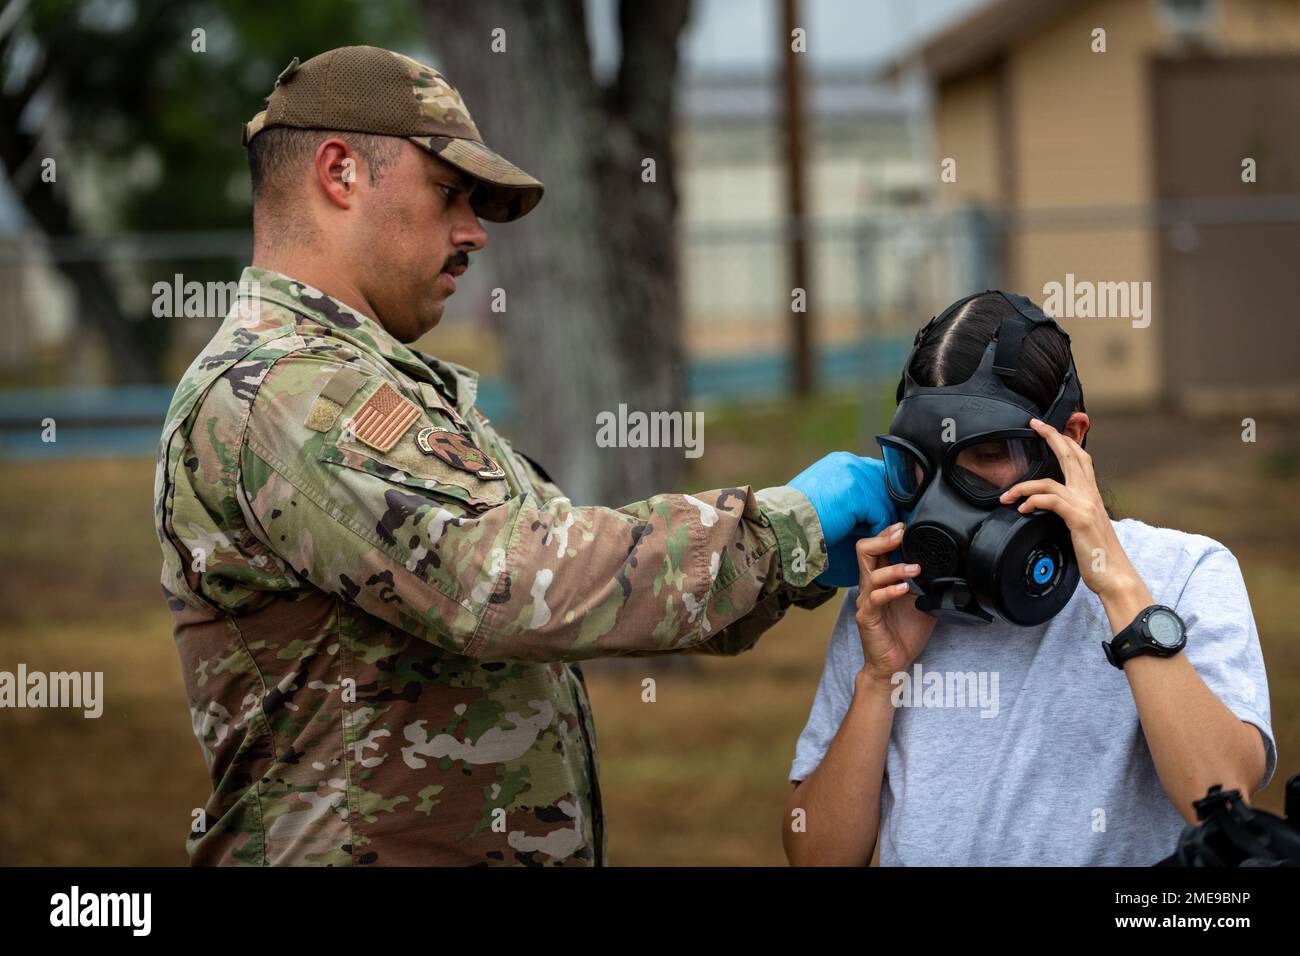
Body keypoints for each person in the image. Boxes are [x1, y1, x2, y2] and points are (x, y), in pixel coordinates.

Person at [154, 45, 894, 866]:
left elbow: (570, 596)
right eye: (449, 192)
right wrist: (785, 528)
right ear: (340, 173)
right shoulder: (283, 389)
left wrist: (783, 565)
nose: (473, 232)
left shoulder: (370, 385)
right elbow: (505, 582)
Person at [783, 291, 1276, 866]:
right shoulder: (893, 596)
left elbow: (1216, 798)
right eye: (920, 461)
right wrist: (878, 678)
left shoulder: (1183, 573)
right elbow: (817, 857)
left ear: (1069, 438)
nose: (941, 503)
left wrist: (1120, 589)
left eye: (988, 454)